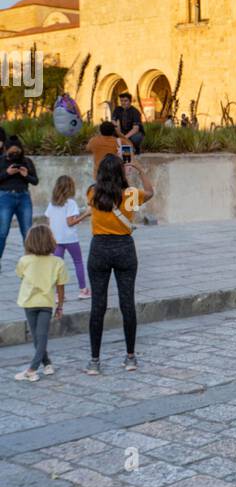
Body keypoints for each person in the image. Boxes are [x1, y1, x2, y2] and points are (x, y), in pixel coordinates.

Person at [86, 153, 153, 374]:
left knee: (98, 306)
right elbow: (150, 193)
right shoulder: (131, 194)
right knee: (127, 303)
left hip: (99, 249)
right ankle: (130, 357)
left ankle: (95, 361)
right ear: (121, 171)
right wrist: (139, 171)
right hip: (124, 248)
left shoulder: (92, 192)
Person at [14, 223, 67, 381]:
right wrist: (60, 306)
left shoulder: (24, 260)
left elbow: (21, 276)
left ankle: (32, 369)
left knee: (40, 337)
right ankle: (47, 363)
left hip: (29, 302)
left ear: (29, 241)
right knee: (39, 337)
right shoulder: (58, 262)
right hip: (45, 303)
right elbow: (60, 288)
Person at [46, 174, 91, 299]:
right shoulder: (71, 203)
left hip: (56, 239)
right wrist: (86, 214)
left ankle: (57, 294)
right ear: (70, 187)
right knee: (78, 262)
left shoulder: (52, 203)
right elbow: (70, 222)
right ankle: (83, 290)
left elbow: (49, 223)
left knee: (57, 266)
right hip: (70, 239)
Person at [0, 135, 38, 270]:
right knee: (2, 232)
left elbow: (35, 181)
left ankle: (30, 262)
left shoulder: (27, 161)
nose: (15, 154)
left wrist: (26, 175)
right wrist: (7, 173)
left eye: (18, 151)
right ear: (6, 150)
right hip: (5, 197)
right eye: (12, 151)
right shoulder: (1, 161)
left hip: (24, 198)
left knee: (27, 232)